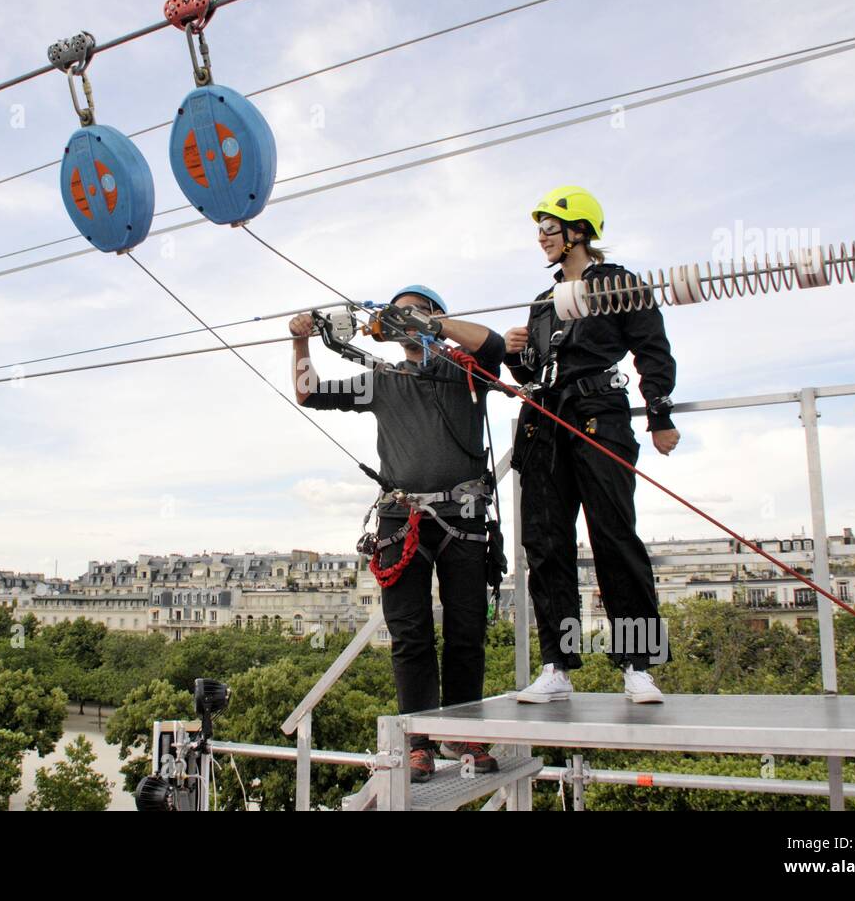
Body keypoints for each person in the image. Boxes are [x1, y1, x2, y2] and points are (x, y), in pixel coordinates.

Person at [289, 286, 505, 782]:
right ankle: (420, 741)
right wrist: (301, 344)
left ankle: (463, 730)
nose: (404, 322)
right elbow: (308, 392)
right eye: (398, 315)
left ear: (435, 319)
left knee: (467, 632)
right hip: (402, 520)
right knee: (411, 635)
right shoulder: (383, 380)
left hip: (464, 518)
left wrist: (439, 329)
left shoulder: (466, 372)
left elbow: (494, 348)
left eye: (415, 313)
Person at [503, 185, 680, 704]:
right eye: (539, 231)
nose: (542, 239)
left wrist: (659, 413)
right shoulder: (542, 304)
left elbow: (652, 347)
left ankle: (637, 665)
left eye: (550, 229)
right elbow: (536, 369)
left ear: (578, 230)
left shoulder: (619, 284)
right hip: (545, 424)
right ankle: (558, 665)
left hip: (599, 416)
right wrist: (517, 355)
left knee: (614, 536)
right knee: (546, 544)